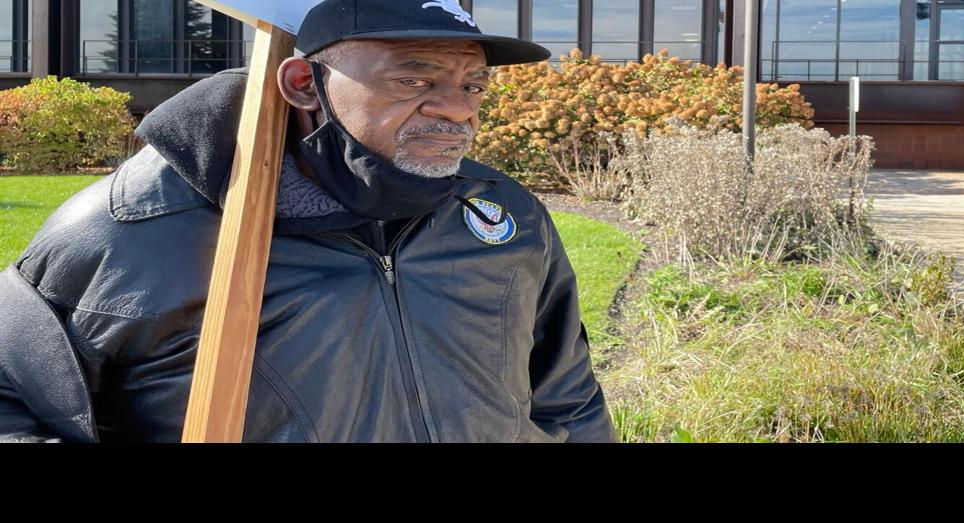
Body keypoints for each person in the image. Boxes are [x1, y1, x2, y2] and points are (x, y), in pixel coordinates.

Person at [0, 0, 616, 442]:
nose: (458, 109)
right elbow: (14, 401)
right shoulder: (131, 230)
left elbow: (567, 393)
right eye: (414, 78)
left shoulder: (502, 215)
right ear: (302, 84)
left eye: (473, 85)